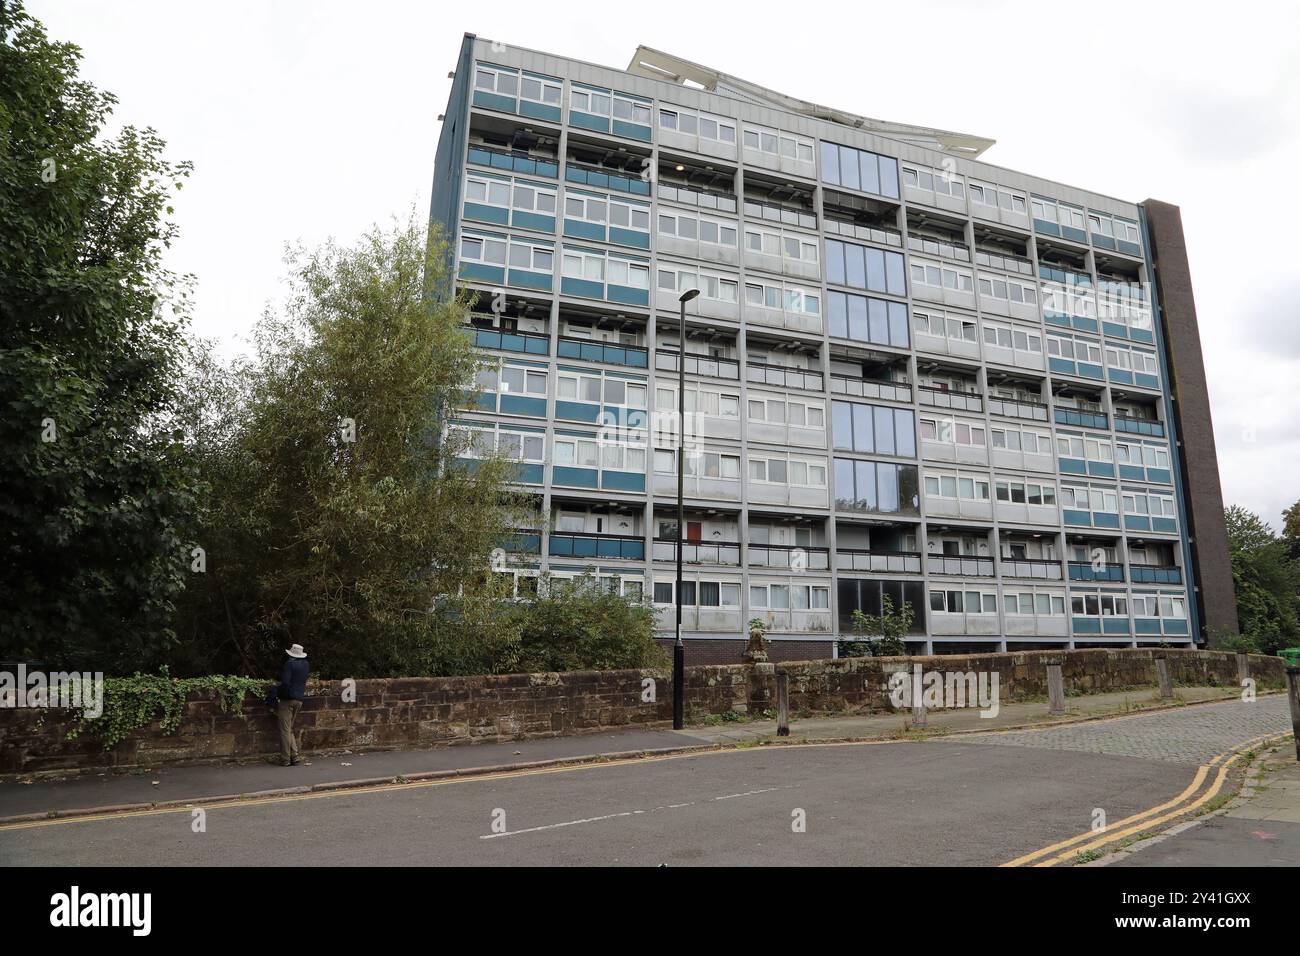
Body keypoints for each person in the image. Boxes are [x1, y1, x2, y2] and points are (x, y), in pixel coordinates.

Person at [276, 644, 309, 766]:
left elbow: (285, 682)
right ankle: (294, 756)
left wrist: (280, 695)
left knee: (285, 730)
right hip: (299, 699)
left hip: (287, 700)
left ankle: (285, 758)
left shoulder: (289, 664)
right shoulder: (306, 664)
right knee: (289, 728)